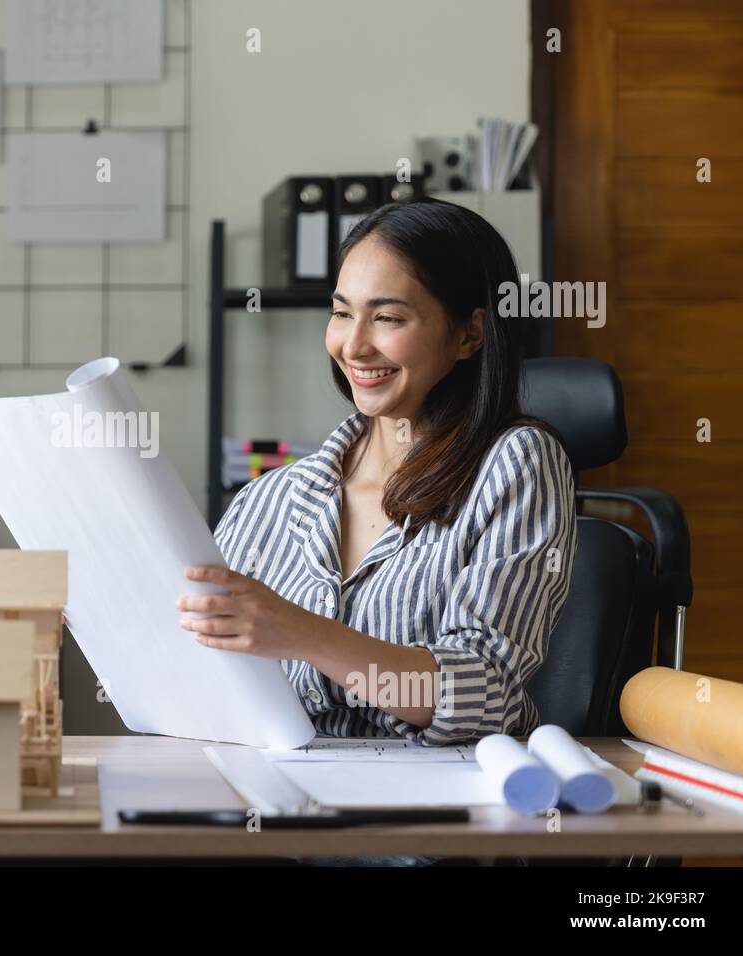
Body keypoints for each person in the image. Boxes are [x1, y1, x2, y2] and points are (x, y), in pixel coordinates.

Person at [178, 199, 577, 865]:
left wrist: (301, 632)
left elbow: (485, 696)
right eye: (340, 312)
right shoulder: (274, 495)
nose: (353, 345)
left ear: (469, 334)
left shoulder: (517, 463)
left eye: (387, 318)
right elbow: (207, 677)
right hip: (275, 807)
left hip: (431, 832)